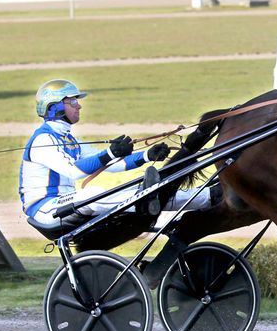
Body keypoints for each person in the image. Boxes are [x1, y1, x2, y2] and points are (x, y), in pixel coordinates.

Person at [19, 79, 215, 228]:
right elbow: (74, 172)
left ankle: (209, 196)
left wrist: (147, 156)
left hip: (65, 203)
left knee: (142, 192)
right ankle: (143, 203)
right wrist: (111, 153)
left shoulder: (69, 139)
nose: (79, 105)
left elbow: (110, 165)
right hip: (45, 209)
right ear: (55, 107)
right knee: (94, 194)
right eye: (72, 101)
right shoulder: (42, 140)